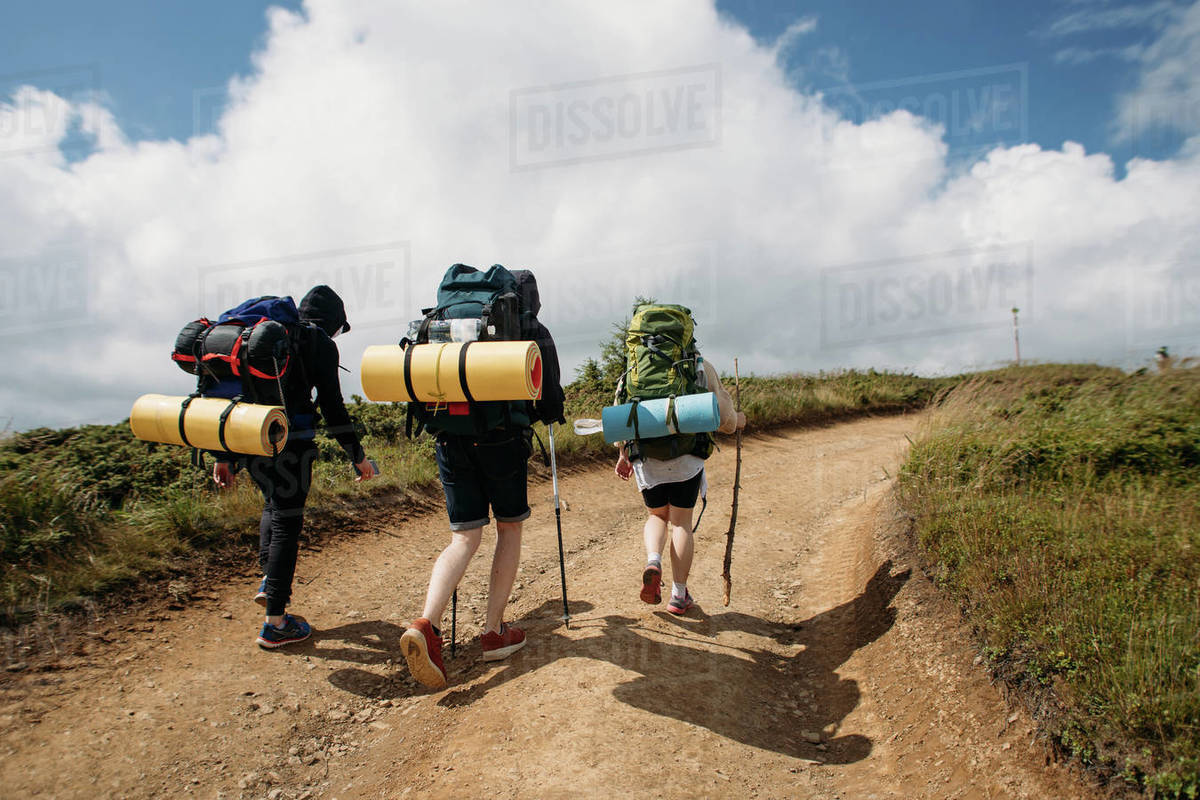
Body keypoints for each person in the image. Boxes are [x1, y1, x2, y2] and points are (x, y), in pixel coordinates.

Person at [399, 267, 565, 690]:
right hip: (502, 442)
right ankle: (493, 632)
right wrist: (546, 413)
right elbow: (549, 398)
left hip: (450, 441)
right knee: (509, 529)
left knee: (463, 538)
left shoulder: (441, 321)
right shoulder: (527, 325)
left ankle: (427, 623)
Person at [212, 285, 376, 648]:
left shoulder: (267, 339)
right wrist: (357, 455)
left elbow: (231, 392)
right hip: (291, 443)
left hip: (247, 439)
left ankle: (271, 581)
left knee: (273, 506)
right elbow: (333, 407)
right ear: (334, 322)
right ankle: (275, 623)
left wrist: (224, 456)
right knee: (288, 521)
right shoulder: (318, 343)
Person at [614, 358, 745, 615]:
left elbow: (621, 412)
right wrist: (739, 421)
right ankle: (678, 594)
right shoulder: (699, 365)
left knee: (657, 516)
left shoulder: (634, 367)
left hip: (647, 457)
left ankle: (654, 560)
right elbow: (724, 417)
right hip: (688, 457)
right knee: (681, 522)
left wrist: (622, 453)